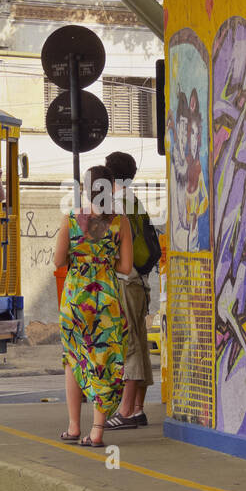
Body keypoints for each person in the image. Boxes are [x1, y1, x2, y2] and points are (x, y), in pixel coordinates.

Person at [55, 164, 132, 448]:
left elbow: (58, 261)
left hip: (76, 299)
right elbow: (125, 267)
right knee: (105, 363)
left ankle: (74, 427)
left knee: (73, 360)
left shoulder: (72, 219)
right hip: (106, 301)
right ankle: (97, 432)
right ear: (111, 188)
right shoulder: (120, 222)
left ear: (85, 189)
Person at [104, 151, 154, 429]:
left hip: (125, 281)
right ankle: (137, 408)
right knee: (140, 343)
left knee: (129, 344)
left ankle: (125, 412)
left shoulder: (116, 204)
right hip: (140, 282)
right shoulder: (134, 200)